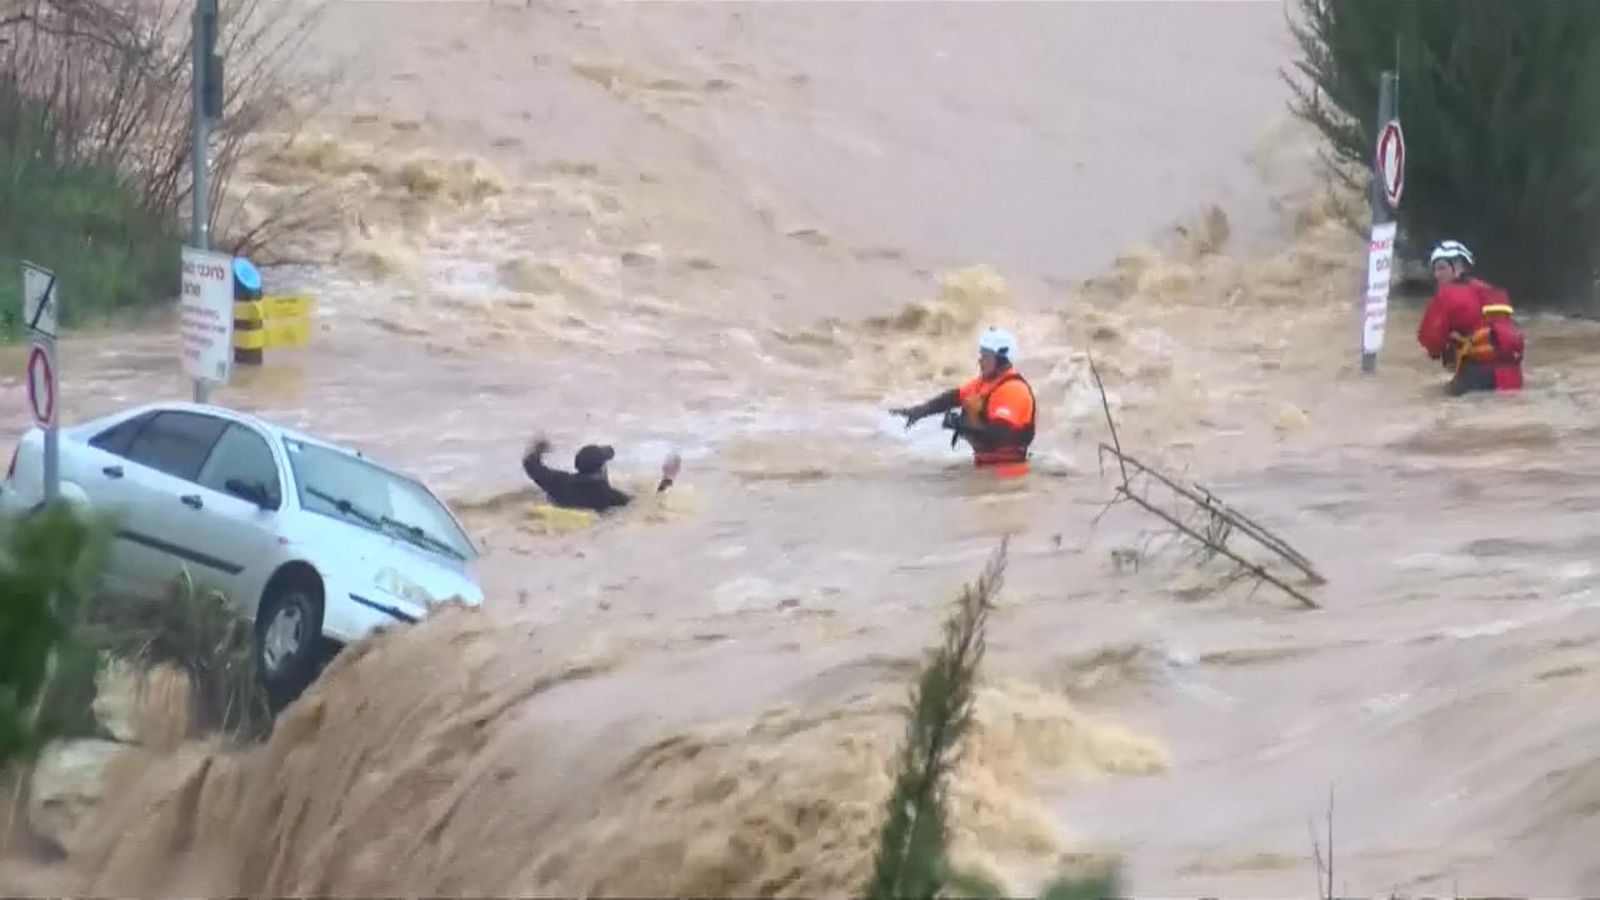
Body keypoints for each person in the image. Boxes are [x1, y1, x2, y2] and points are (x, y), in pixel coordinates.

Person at [889, 327, 1037, 477]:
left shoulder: (1013, 390)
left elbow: (1000, 437)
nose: (980, 360)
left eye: (986, 355)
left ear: (1001, 359)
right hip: (985, 467)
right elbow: (952, 397)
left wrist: (960, 425)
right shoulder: (983, 384)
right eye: (981, 354)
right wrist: (919, 411)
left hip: (1009, 474)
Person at [1416, 239, 1525, 395]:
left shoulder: (1446, 295)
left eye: (1442, 268)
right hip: (1514, 377)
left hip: (1478, 377)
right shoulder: (1489, 290)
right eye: (1435, 269)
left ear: (1459, 266)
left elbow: (1431, 343)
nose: (1437, 275)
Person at [521, 437, 680, 512]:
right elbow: (652, 505)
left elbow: (530, 465)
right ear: (602, 468)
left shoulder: (559, 482)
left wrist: (539, 448)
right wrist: (668, 477)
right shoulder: (611, 497)